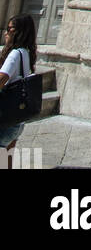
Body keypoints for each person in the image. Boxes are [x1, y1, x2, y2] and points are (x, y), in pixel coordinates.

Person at [0, 14, 37, 168]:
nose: (5, 33)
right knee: (5, 160)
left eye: (10, 29)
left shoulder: (14, 54)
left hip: (5, 118)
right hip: (17, 119)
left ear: (19, 32)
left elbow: (2, 78)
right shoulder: (25, 53)